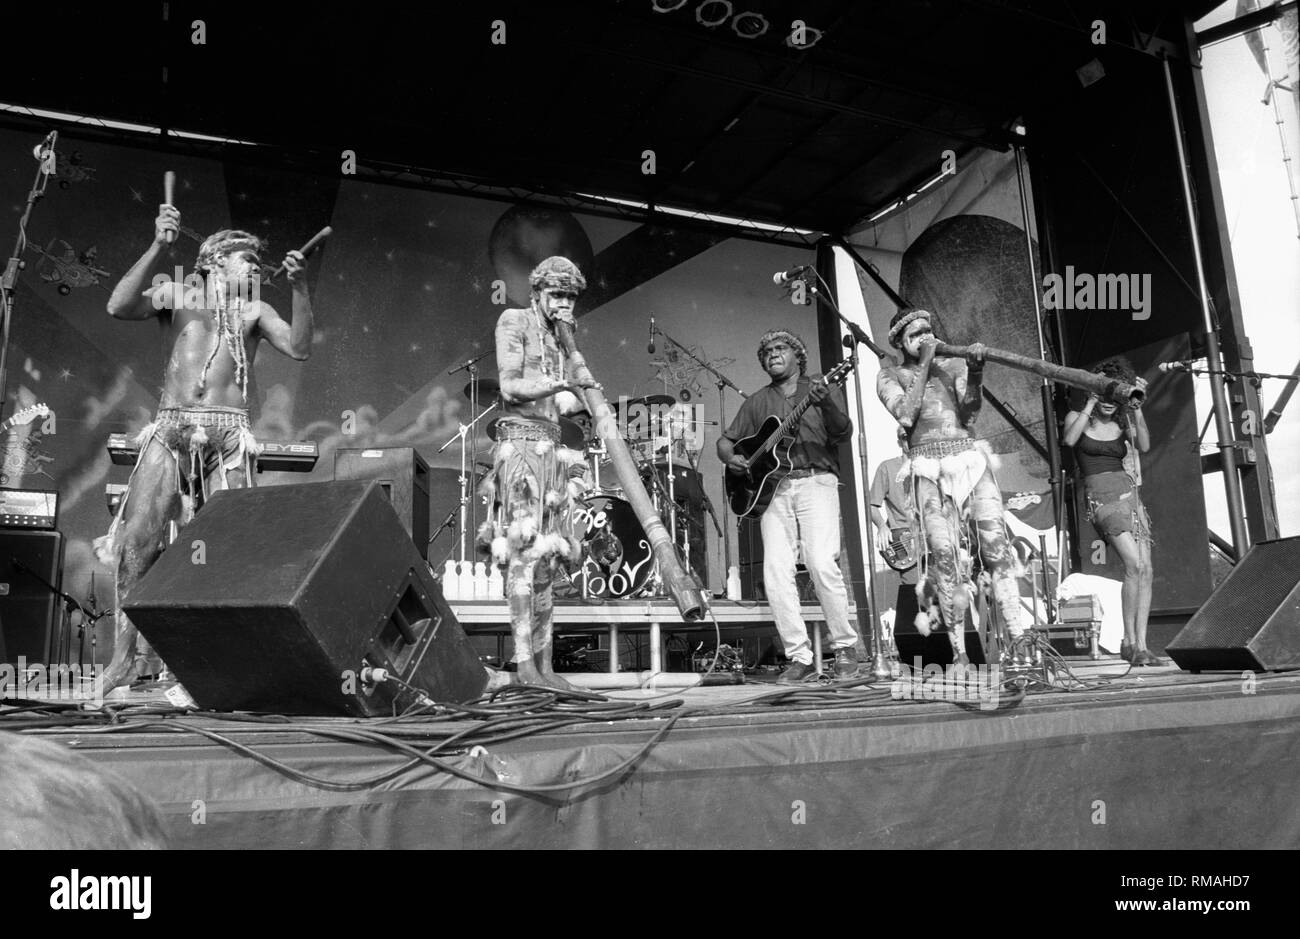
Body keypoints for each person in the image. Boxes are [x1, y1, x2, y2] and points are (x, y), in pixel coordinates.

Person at [97, 203, 315, 693]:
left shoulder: (256, 310)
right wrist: (158, 246)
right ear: (215, 261)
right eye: (247, 260)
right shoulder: (178, 295)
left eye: (259, 264)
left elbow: (300, 348)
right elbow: (118, 306)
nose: (257, 269)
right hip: (172, 426)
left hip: (229, 435)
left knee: (221, 549)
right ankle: (126, 657)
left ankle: (208, 662)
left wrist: (301, 288)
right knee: (137, 542)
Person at [875, 308, 1025, 663]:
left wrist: (975, 370)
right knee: (944, 557)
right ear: (899, 343)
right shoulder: (888, 375)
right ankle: (959, 652)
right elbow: (905, 413)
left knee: (995, 550)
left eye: (927, 331)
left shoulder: (954, 366)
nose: (924, 338)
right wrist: (926, 362)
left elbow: (970, 414)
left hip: (969, 461)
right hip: (927, 468)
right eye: (915, 336)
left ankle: (1018, 641)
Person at [478, 256, 595, 691]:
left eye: (570, 296)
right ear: (538, 294)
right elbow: (511, 386)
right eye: (557, 295)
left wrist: (584, 394)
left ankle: (545, 668)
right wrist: (561, 384)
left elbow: (561, 404)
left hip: (551, 450)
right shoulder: (514, 320)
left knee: (548, 560)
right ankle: (524, 665)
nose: (564, 303)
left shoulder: (561, 336)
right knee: (524, 558)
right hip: (521, 448)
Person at [717, 329, 859, 682]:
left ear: (798, 355)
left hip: (816, 480)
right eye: (766, 352)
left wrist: (825, 401)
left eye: (780, 348)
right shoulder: (757, 402)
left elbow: (843, 433)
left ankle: (845, 648)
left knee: (820, 562)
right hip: (774, 491)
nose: (772, 354)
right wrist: (732, 458)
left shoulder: (822, 386)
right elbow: (726, 440)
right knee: (776, 573)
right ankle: (799, 656)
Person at [1061, 358, 1162, 665]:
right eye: (1104, 395)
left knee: (1146, 568)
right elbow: (1069, 440)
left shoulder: (1122, 423)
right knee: (1133, 564)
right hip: (1101, 497)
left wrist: (1136, 407)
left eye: (1111, 397)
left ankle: (1139, 644)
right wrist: (1093, 398)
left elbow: (1144, 445)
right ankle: (1129, 641)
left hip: (1129, 493)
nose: (1108, 404)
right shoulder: (1077, 416)